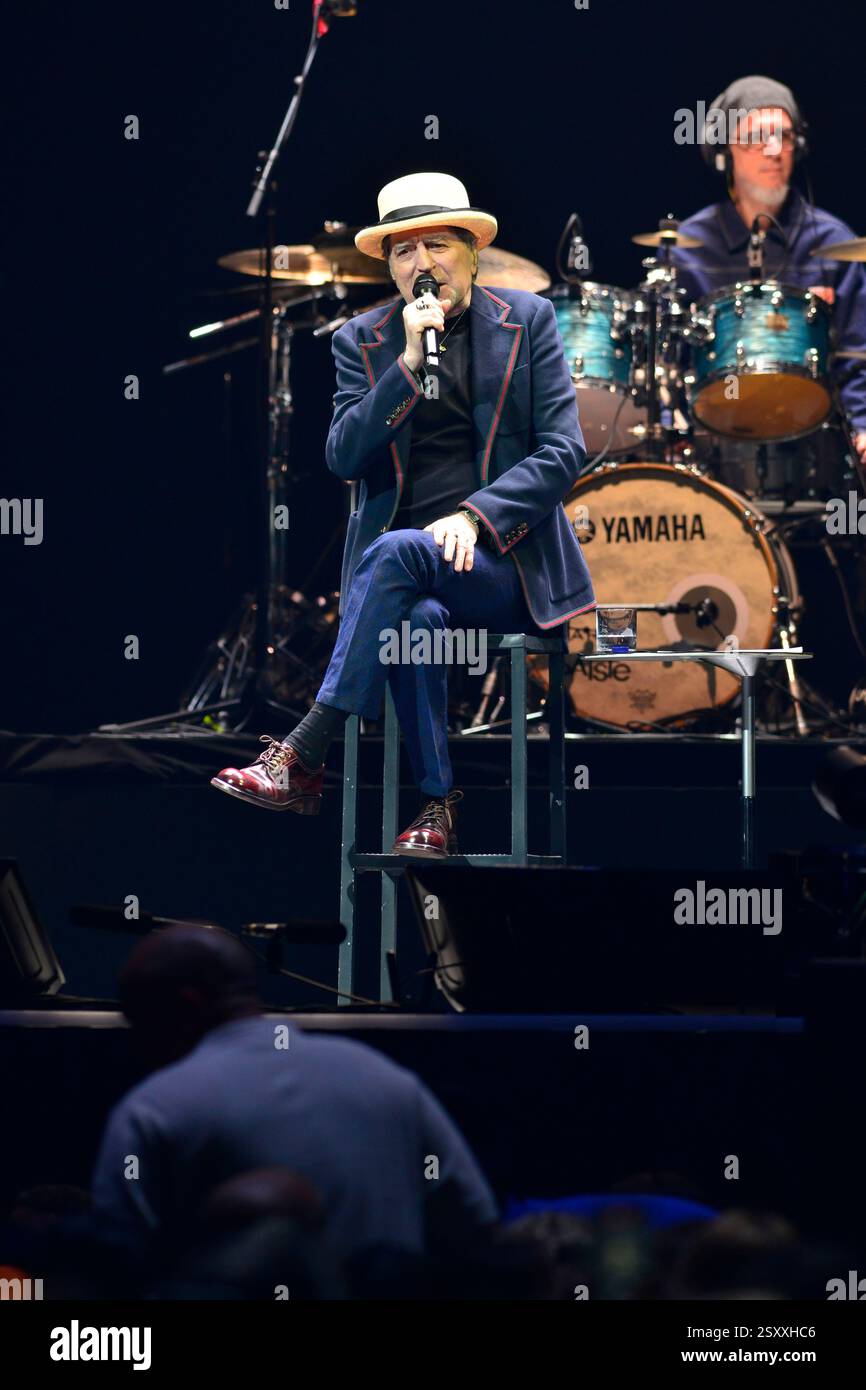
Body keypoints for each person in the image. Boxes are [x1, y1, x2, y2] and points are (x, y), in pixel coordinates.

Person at [211, 172, 595, 856]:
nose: (422, 263)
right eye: (403, 250)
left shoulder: (528, 321)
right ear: (388, 266)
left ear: (474, 251)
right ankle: (437, 807)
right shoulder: (362, 339)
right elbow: (344, 456)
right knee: (413, 615)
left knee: (393, 556)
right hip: (412, 576)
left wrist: (476, 517)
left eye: (438, 244)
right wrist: (409, 366)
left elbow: (565, 450)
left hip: (506, 565)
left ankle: (303, 753)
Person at [90, 925, 498, 1263]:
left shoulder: (154, 1109)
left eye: (137, 1019)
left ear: (186, 1004)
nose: (135, 1042)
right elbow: (476, 1228)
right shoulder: (387, 1080)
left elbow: (116, 1266)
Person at [671, 75, 866, 469]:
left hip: (815, 452)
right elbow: (665, 364)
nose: (774, 150)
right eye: (758, 136)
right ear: (724, 152)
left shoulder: (834, 242)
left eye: (785, 136)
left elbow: (858, 357)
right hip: (713, 452)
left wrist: (863, 428)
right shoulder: (687, 248)